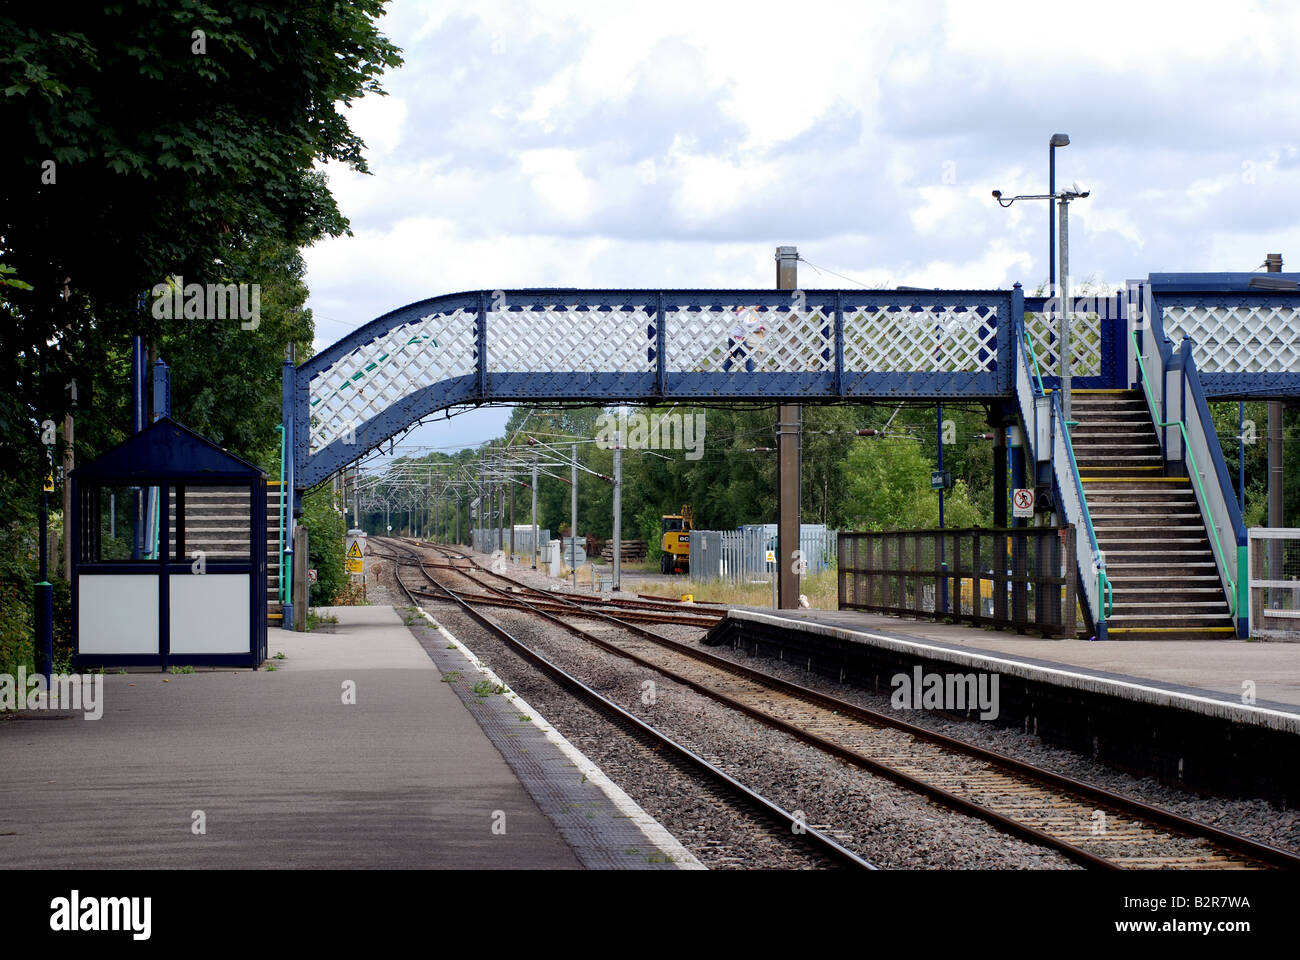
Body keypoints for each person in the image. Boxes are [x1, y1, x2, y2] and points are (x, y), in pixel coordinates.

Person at [724, 305, 765, 372]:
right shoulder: (745, 312)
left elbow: (747, 326)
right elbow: (747, 324)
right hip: (739, 339)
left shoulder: (741, 312)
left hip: (732, 338)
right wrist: (758, 322)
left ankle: (722, 373)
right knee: (748, 359)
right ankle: (750, 378)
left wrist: (759, 327)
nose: (759, 306)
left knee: (731, 359)